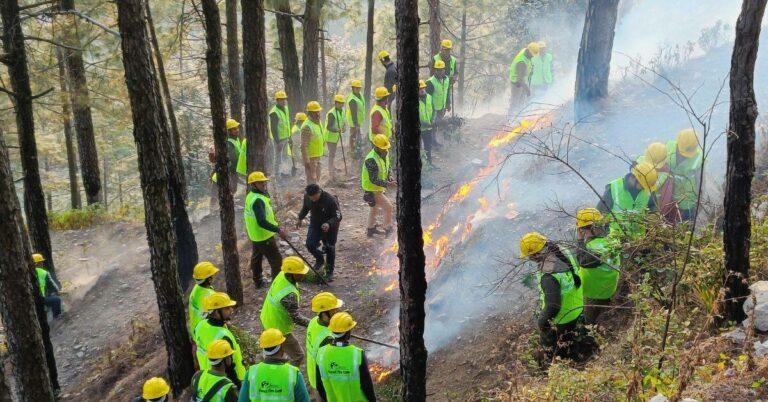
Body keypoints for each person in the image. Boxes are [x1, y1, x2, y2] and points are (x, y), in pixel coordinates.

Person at [519, 232, 590, 362]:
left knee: (557, 346)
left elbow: (553, 306)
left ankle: (560, 363)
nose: (529, 258)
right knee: (571, 336)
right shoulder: (561, 250)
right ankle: (576, 347)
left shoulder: (548, 275)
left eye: (529, 256)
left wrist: (543, 322)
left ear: (535, 255)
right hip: (577, 305)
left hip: (563, 318)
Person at [260, 256, 310, 368]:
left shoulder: (282, 275)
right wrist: (315, 323)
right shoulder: (289, 294)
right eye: (300, 273)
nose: (303, 275)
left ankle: (271, 362)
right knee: (298, 355)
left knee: (273, 352)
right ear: (291, 273)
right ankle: (286, 374)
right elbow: (296, 318)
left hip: (267, 318)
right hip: (278, 327)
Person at [316, 312, 377, 402]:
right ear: (348, 332)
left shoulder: (321, 353)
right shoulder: (357, 354)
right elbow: (367, 385)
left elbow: (319, 385)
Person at [575, 208, 621, 325]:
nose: (584, 234)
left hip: (595, 291)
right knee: (604, 305)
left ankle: (591, 330)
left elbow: (582, 261)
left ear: (594, 228)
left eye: (584, 231)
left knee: (590, 316)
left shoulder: (593, 248)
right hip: (610, 285)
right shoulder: (613, 235)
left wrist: (580, 241)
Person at [239, 329, 310, 402]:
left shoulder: (251, 373)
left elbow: (242, 400)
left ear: (263, 348)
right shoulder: (294, 374)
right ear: (282, 346)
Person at [245, 171, 286, 289]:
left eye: (264, 181)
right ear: (253, 184)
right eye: (260, 182)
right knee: (276, 261)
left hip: (255, 235)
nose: (263, 184)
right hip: (264, 236)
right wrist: (278, 230)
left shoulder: (251, 196)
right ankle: (277, 286)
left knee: (256, 258)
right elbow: (261, 221)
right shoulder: (257, 200)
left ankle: (258, 281)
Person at [193, 292, 246, 384]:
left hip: (209, 379)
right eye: (227, 308)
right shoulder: (223, 336)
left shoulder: (200, 326)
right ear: (217, 312)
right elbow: (230, 368)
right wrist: (238, 386)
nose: (231, 310)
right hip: (228, 383)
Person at [597, 162, 659, 240]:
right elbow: (599, 215)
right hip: (615, 241)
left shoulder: (648, 190)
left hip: (639, 242)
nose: (644, 189)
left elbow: (653, 208)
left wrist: (653, 218)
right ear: (635, 179)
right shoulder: (614, 188)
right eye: (643, 186)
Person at [297, 184, 342, 281]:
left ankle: (329, 272)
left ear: (319, 192)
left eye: (315, 197)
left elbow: (338, 217)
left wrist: (328, 224)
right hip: (315, 223)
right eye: (311, 198)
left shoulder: (330, 200)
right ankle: (320, 259)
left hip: (330, 226)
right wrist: (300, 218)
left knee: (330, 248)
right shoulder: (307, 197)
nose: (313, 200)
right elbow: (305, 207)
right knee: (310, 244)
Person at [306, 293, 343, 398]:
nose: (337, 313)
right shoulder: (327, 339)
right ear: (324, 314)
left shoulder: (314, 322)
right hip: (323, 381)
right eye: (334, 311)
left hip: (313, 373)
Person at [362, 134, 396, 238]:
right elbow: (373, 179)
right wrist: (388, 184)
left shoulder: (384, 152)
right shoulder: (371, 159)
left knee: (374, 208)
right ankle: (387, 228)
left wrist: (390, 176)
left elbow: (387, 166)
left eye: (386, 148)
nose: (385, 151)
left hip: (378, 188)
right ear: (376, 147)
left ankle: (371, 229)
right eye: (382, 149)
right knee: (389, 208)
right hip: (372, 189)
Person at [667, 128, 703, 222]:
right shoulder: (668, 147)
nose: (682, 156)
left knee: (684, 231)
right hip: (668, 200)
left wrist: (699, 205)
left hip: (687, 204)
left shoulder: (698, 159)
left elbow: (701, 184)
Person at [638, 142, 679, 223]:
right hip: (650, 215)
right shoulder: (667, 177)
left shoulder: (638, 165)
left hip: (640, 212)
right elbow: (665, 203)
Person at [426, 60, 451, 146]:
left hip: (442, 107)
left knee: (436, 125)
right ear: (435, 70)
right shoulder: (430, 82)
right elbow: (427, 98)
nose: (439, 71)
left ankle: (434, 141)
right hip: (433, 109)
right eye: (437, 70)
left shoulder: (447, 79)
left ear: (444, 69)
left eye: (441, 69)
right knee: (433, 125)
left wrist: (448, 103)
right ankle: (432, 142)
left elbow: (447, 91)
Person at [189, 261, 219, 332]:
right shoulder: (210, 295)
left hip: (196, 330)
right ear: (209, 279)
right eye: (212, 275)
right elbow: (216, 316)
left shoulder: (196, 289)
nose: (214, 276)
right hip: (207, 331)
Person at [509, 42, 540, 110]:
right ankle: (511, 118)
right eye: (532, 55)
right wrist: (528, 90)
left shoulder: (525, 51)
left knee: (521, 103)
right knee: (515, 103)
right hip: (517, 84)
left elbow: (529, 61)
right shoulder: (522, 63)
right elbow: (520, 79)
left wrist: (530, 69)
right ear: (528, 51)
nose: (533, 56)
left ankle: (519, 116)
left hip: (522, 82)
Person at [301, 101, 326, 184]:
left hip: (318, 156)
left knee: (317, 179)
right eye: (315, 112)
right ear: (310, 113)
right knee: (312, 181)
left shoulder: (317, 122)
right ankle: (309, 196)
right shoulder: (307, 126)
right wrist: (306, 161)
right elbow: (304, 146)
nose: (318, 113)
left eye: (318, 111)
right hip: (311, 158)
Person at [269, 91, 292, 178]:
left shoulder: (285, 108)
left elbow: (286, 123)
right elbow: (273, 129)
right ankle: (277, 177)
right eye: (281, 100)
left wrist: (289, 136)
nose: (283, 101)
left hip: (286, 137)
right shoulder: (274, 112)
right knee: (278, 159)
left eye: (284, 99)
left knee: (285, 157)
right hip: (278, 140)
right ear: (277, 100)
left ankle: (284, 173)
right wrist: (277, 142)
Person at [33, 253, 62, 319]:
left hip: (33, 300)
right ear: (37, 263)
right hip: (42, 299)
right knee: (56, 300)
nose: (42, 264)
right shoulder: (44, 273)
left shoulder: (26, 273)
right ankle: (56, 318)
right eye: (41, 262)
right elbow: (52, 284)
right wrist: (58, 291)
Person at [325, 95, 347, 181]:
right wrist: (336, 129)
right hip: (330, 136)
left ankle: (332, 167)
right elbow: (328, 127)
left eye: (342, 103)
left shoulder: (342, 111)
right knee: (331, 153)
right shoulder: (332, 113)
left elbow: (343, 121)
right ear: (335, 103)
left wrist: (344, 127)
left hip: (336, 136)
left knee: (333, 153)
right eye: (339, 103)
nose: (341, 105)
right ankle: (330, 170)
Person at [346, 80, 366, 161]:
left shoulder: (359, 95)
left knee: (358, 137)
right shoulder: (352, 99)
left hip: (358, 121)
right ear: (353, 88)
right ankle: (353, 154)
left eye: (359, 88)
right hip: (354, 122)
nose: (358, 89)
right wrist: (356, 124)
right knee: (354, 137)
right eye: (356, 88)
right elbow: (354, 113)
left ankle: (357, 153)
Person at [418, 79, 436, 165]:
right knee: (419, 149)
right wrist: (425, 123)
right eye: (420, 89)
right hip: (419, 129)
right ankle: (422, 166)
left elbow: (434, 111)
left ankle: (430, 164)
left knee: (428, 147)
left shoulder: (430, 97)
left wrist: (433, 120)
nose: (422, 90)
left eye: (423, 88)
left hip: (429, 128)